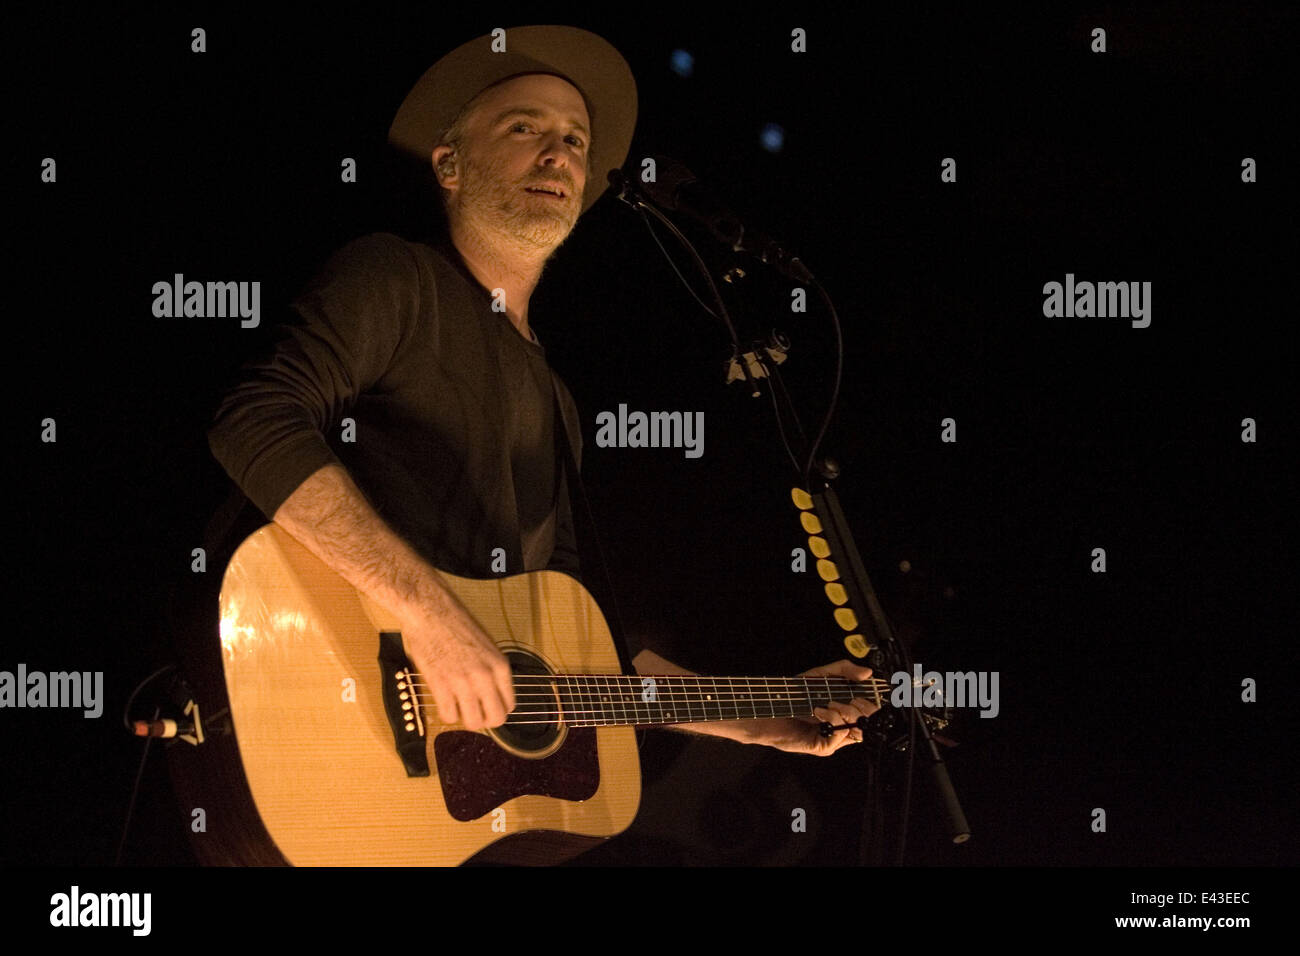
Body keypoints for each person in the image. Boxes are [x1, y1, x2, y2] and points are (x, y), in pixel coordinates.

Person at [208, 25, 876, 756]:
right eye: (525, 127)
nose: (558, 152)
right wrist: (431, 618)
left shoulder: (555, 397)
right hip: (311, 692)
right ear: (450, 164)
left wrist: (753, 717)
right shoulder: (397, 276)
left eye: (576, 140)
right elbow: (254, 419)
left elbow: (567, 638)